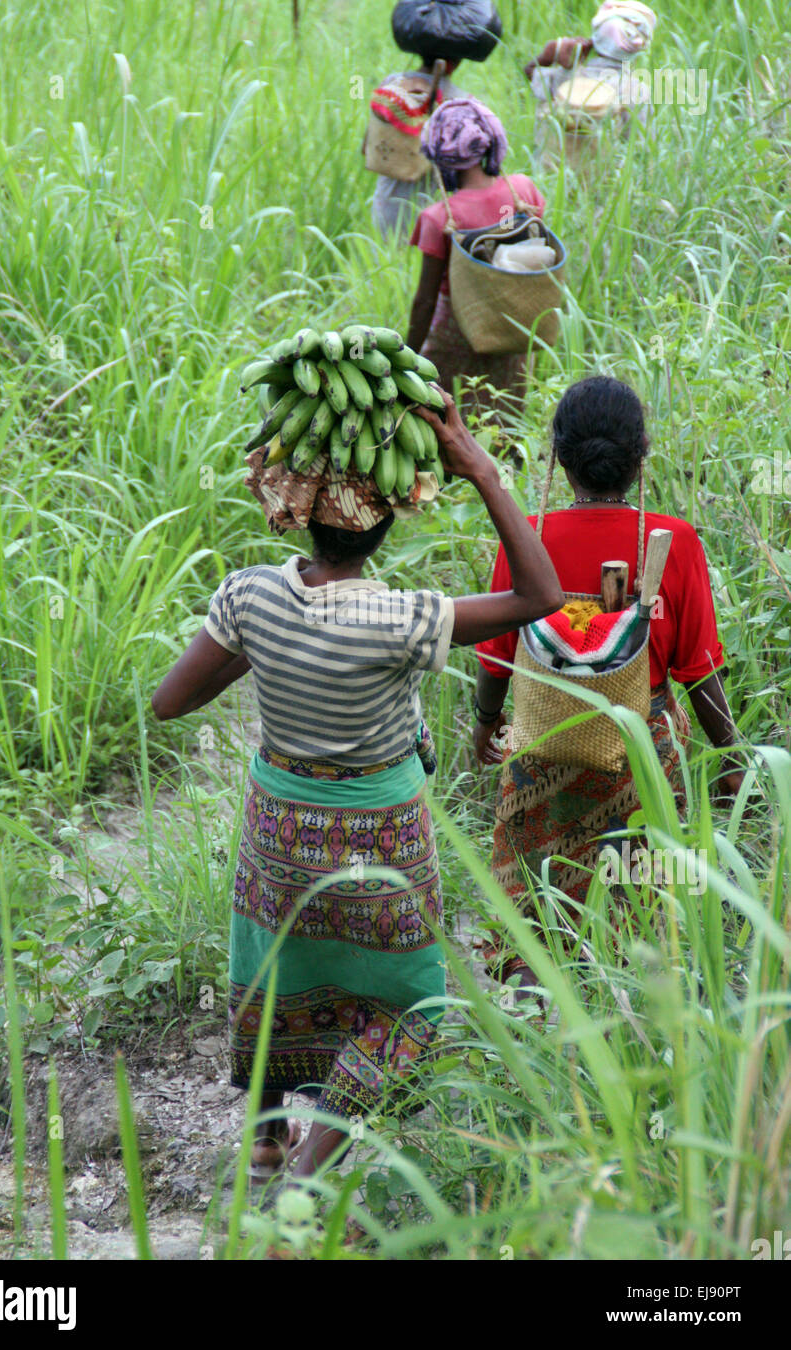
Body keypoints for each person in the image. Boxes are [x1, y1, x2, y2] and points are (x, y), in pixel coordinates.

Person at [151, 394, 562, 1177]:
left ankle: (267, 1136)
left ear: (303, 516)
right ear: (387, 523)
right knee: (409, 1004)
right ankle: (311, 1168)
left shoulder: (250, 597)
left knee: (279, 969)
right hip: (381, 837)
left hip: (281, 832)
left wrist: (266, 645)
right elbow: (538, 597)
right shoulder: (402, 619)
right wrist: (477, 466)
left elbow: (171, 703)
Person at [471, 376, 745, 985]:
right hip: (640, 759)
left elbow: (495, 660)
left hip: (539, 751)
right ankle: (631, 1032)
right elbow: (698, 672)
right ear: (641, 452)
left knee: (535, 920)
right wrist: (731, 760)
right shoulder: (674, 542)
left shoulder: (529, 537)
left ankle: (536, 1031)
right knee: (641, 918)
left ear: (559, 456)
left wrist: (486, 726)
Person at [406, 96, 547, 450]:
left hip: (457, 331)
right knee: (503, 415)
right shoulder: (523, 191)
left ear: (438, 157)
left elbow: (425, 301)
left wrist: (407, 358)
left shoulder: (440, 217)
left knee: (442, 423)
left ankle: (451, 487)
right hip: (511, 325)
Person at [525, 0, 657, 168]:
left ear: (596, 38)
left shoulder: (567, 77)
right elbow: (643, 148)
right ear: (638, 50)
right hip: (606, 182)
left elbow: (528, 72)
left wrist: (550, 53)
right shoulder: (637, 91)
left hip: (556, 176)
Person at [368, 58, 464, 243]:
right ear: (458, 59)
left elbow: (369, 145)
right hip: (431, 216)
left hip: (385, 206)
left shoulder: (390, 84)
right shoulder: (462, 100)